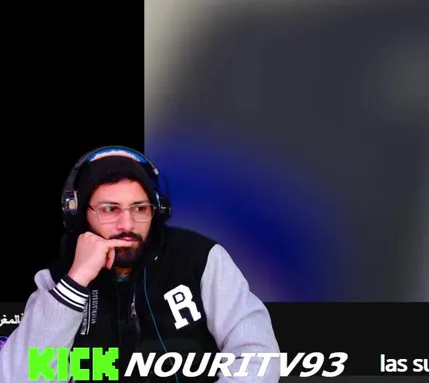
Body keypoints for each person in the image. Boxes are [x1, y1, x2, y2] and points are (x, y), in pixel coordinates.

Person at [0, 147, 280, 382]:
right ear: (80, 214)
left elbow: (259, 356)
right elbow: (18, 376)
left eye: (139, 208)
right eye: (110, 209)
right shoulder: (59, 279)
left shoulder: (200, 259)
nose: (127, 224)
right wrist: (77, 280)